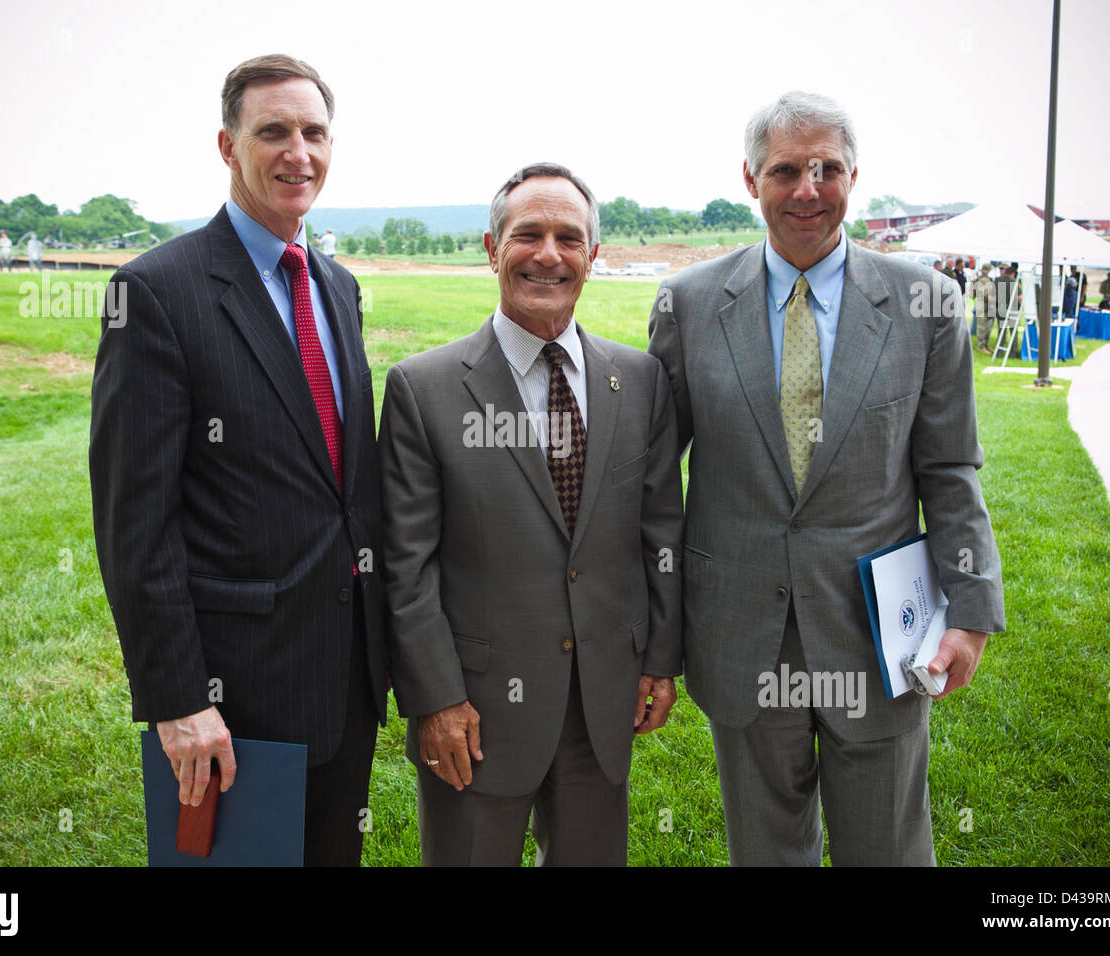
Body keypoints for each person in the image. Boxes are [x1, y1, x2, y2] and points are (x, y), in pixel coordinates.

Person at [648, 91, 1005, 866]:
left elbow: (949, 470)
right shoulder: (689, 302)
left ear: (853, 175)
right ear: (750, 179)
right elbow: (653, 478)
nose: (807, 189)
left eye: (827, 169)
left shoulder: (927, 304)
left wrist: (972, 610)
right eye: (785, 170)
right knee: (768, 854)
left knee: (890, 850)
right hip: (741, 633)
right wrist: (651, 629)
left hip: (882, 639)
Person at [89, 54, 386, 867]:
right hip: (231, 695)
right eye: (274, 132)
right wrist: (179, 700)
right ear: (228, 145)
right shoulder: (154, 292)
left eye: (315, 132)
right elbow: (133, 522)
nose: (299, 153)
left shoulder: (337, 286)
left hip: (345, 679)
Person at [379, 163, 683, 866]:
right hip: (475, 715)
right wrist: (436, 699)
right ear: (492, 248)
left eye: (569, 238)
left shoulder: (639, 381)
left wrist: (660, 659)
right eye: (529, 234)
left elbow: (661, 527)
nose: (549, 254)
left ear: (593, 257)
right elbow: (406, 564)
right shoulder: (423, 391)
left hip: (603, 703)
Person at [973, 263, 996, 352]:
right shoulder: (981, 280)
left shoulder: (988, 279)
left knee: (988, 327)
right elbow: (982, 293)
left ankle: (986, 345)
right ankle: (981, 346)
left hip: (988, 305)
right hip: (982, 305)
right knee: (982, 327)